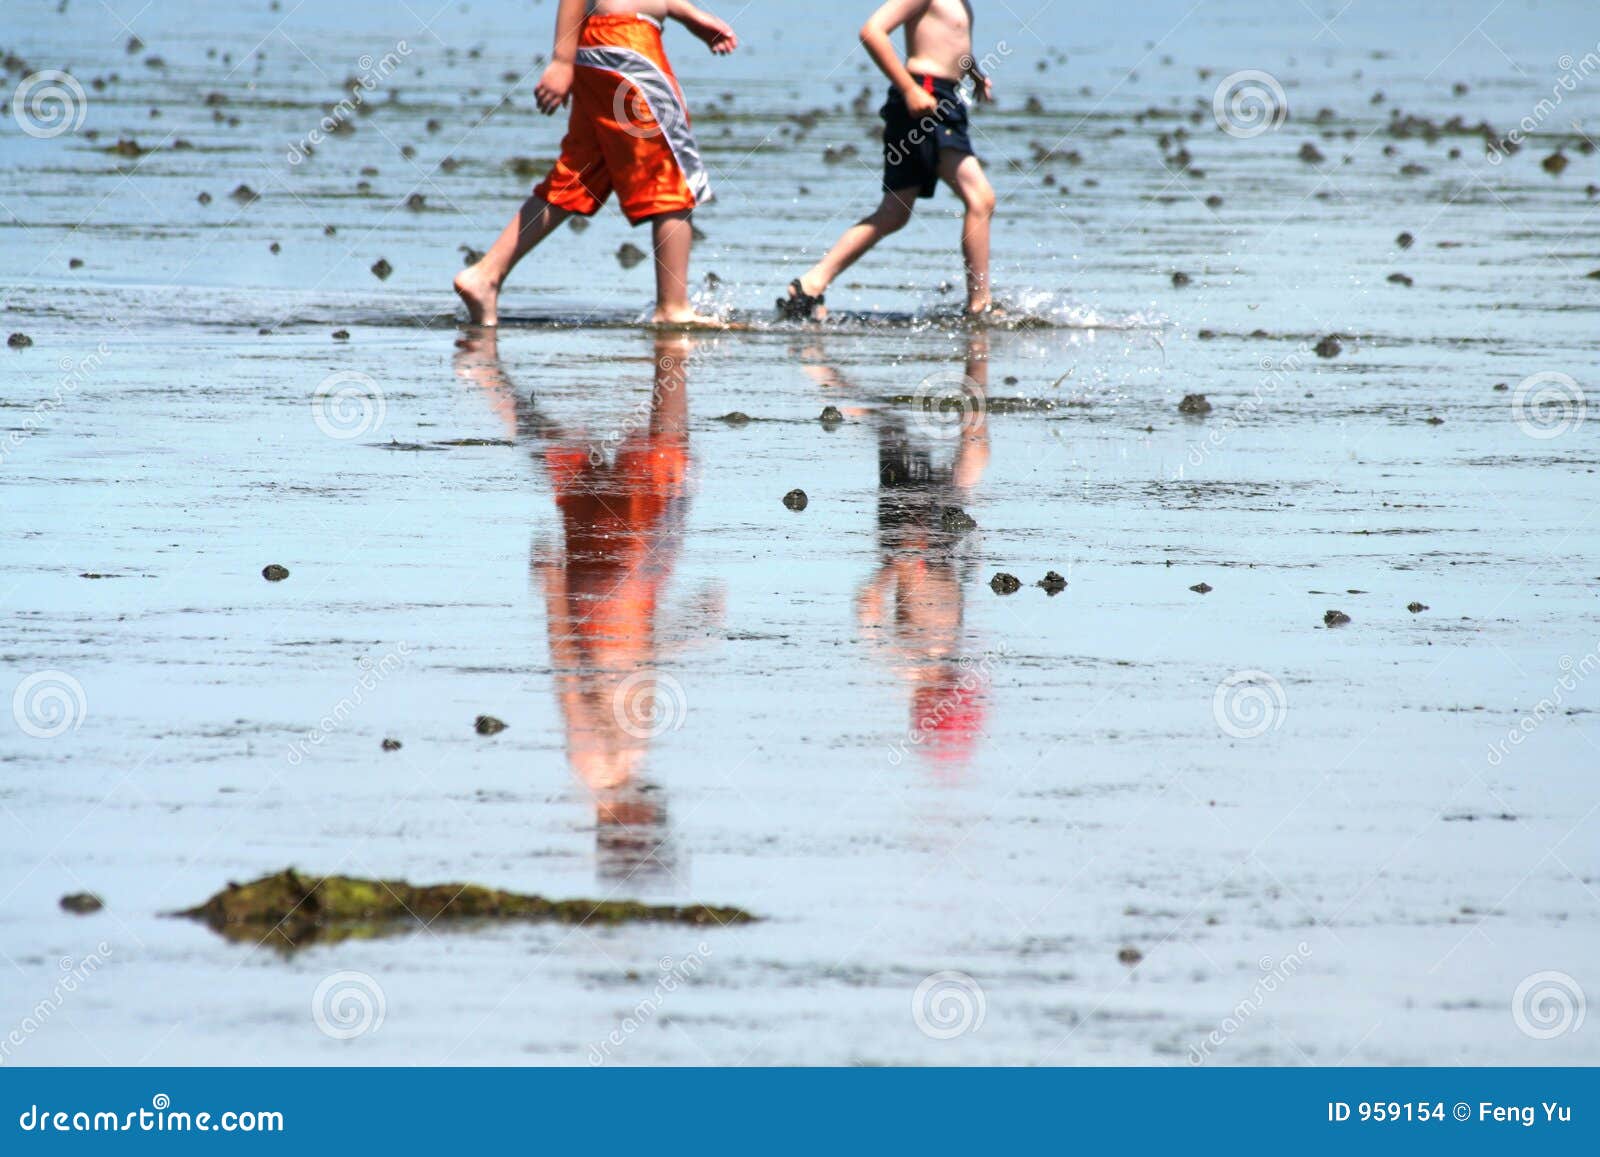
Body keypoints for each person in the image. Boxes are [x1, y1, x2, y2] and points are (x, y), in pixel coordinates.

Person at [454, 0, 737, 328]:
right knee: (668, 166)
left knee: (579, 173)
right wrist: (561, 60)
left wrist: (684, 13)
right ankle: (673, 307)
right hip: (626, 43)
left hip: (606, 44)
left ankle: (486, 275)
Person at [779, 0, 998, 322]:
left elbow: (950, 44)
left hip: (945, 96)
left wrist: (974, 74)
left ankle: (811, 284)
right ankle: (980, 305)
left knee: (895, 212)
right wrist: (909, 89)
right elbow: (872, 32)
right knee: (981, 198)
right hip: (925, 96)